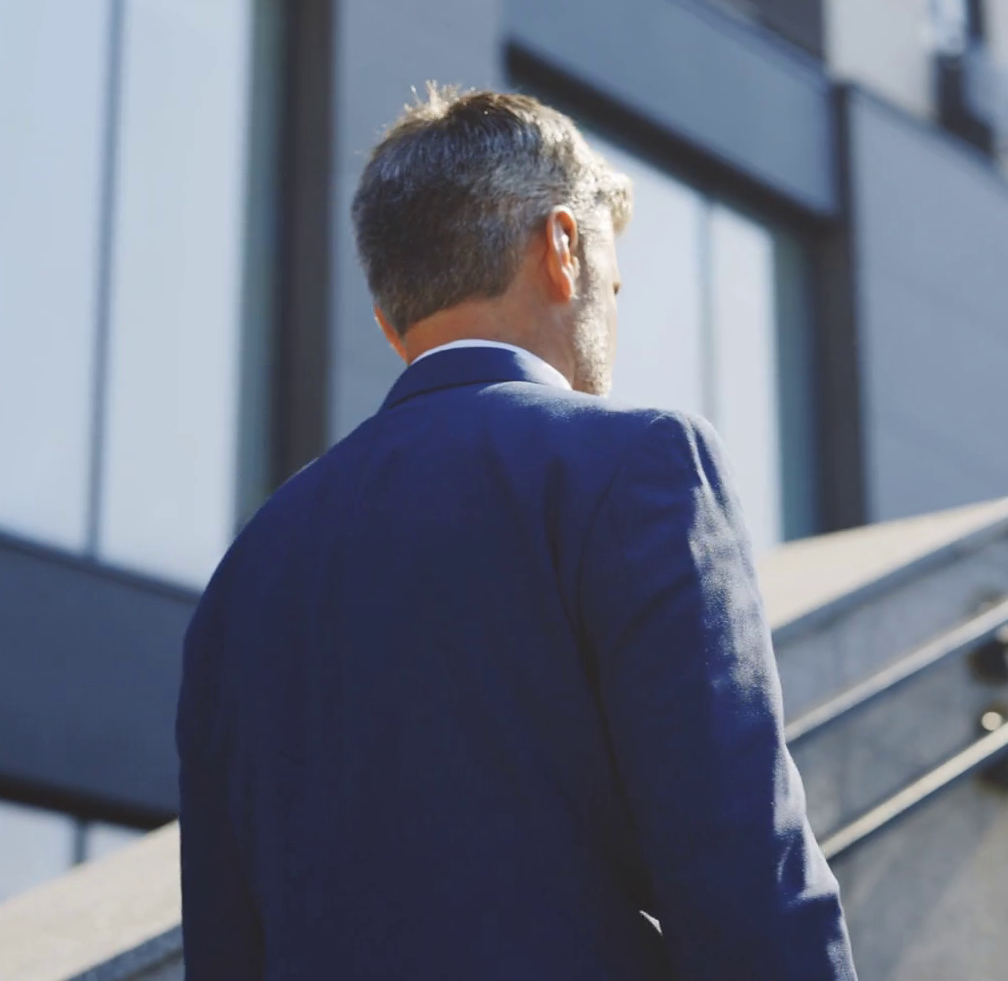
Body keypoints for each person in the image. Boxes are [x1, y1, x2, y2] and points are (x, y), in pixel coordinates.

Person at [176, 86, 855, 979]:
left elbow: (224, 947)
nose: (613, 312)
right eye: (615, 280)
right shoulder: (638, 465)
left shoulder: (248, 570)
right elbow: (741, 873)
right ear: (563, 249)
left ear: (391, 325)